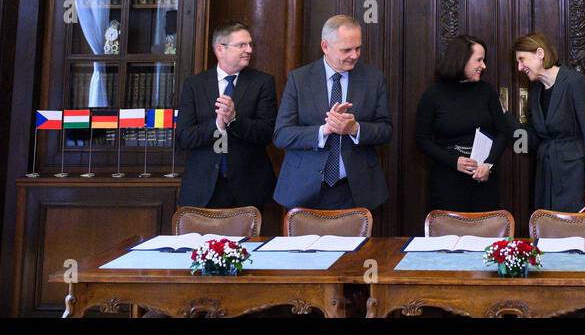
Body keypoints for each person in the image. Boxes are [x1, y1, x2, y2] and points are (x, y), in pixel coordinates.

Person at [273, 14, 392, 211]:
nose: (355, 55)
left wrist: (355, 129)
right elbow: (281, 135)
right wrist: (324, 130)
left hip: (356, 191)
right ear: (325, 46)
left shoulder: (373, 78)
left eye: (358, 48)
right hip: (304, 189)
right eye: (346, 50)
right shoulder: (299, 79)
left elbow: (386, 130)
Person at [175, 22, 278, 209]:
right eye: (241, 45)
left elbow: (267, 133)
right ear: (220, 49)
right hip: (203, 188)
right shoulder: (195, 85)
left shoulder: (262, 82)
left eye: (250, 45)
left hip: (248, 188)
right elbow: (184, 137)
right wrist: (217, 125)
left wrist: (233, 120)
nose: (249, 50)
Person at [415, 35, 512, 213]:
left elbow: (503, 133)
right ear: (462, 60)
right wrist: (454, 162)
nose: (484, 66)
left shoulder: (487, 91)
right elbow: (422, 140)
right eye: (479, 60)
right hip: (447, 180)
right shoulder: (433, 94)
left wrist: (488, 165)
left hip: (483, 180)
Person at [513, 32, 585, 213]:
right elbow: (533, 139)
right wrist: (505, 120)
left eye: (522, 59)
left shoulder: (576, 83)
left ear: (540, 53)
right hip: (546, 176)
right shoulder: (536, 90)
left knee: (573, 235)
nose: (519, 67)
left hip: (575, 177)